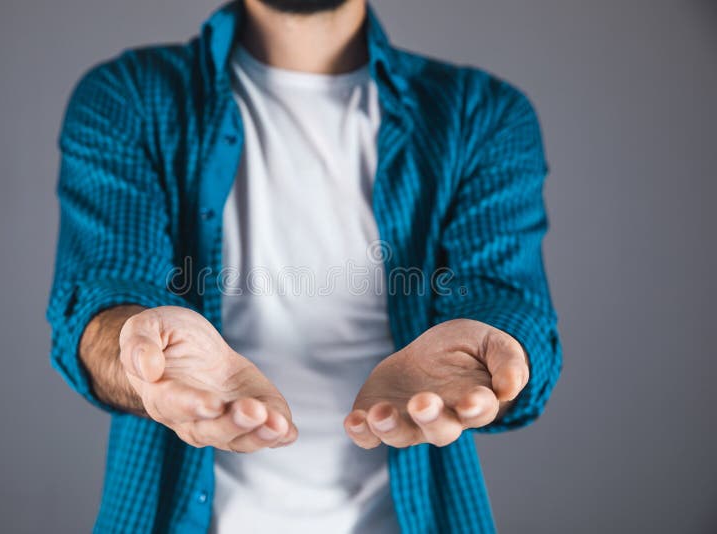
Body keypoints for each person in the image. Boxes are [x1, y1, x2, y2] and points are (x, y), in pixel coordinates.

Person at [46, 0, 562, 532]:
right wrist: (140, 350)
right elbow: (102, 292)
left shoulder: (481, 116)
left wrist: (489, 349)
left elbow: (504, 297)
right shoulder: (129, 98)